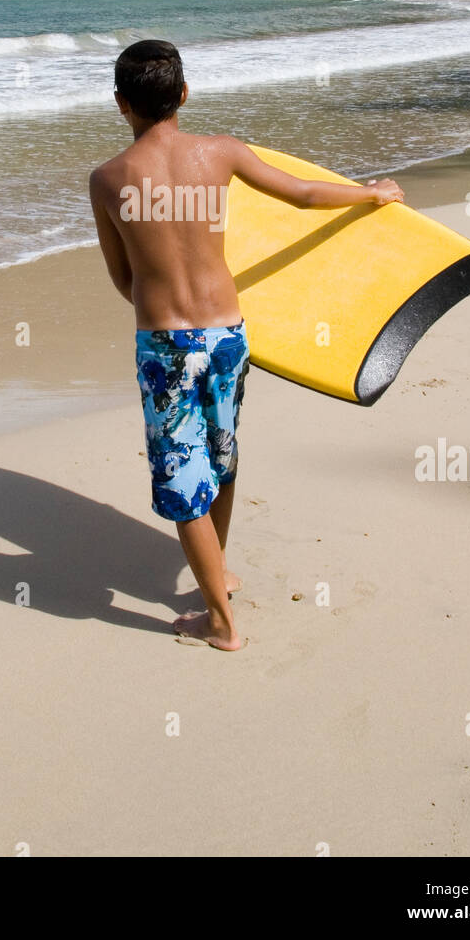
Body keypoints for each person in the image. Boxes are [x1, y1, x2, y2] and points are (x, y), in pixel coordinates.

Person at [88, 39, 405, 651]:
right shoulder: (221, 154)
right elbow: (304, 194)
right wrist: (371, 193)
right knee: (221, 455)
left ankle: (221, 624)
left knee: (182, 481)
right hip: (229, 335)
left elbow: (122, 278)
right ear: (183, 95)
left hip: (165, 345)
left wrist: (161, 307)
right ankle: (220, 572)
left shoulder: (107, 180)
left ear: (121, 104)